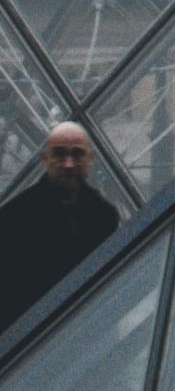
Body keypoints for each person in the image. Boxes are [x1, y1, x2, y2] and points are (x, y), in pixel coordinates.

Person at [0, 122, 119, 329]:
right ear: (44, 160)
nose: (69, 163)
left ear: (90, 160)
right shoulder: (12, 218)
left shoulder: (106, 216)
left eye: (77, 154)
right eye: (59, 154)